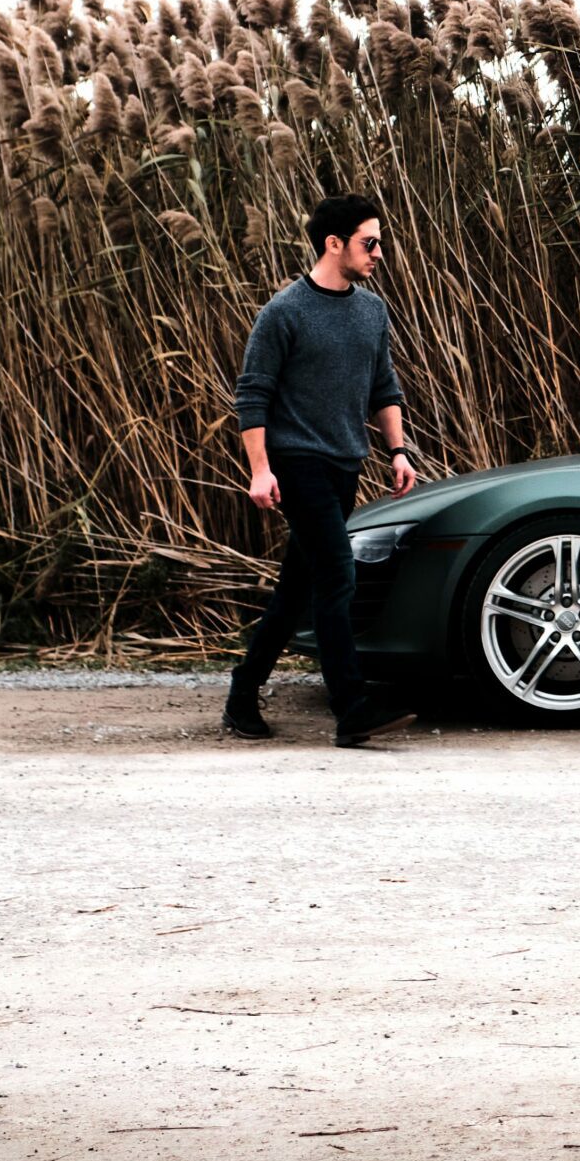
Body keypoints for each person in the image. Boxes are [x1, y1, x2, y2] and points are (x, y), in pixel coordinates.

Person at [224, 192, 420, 748]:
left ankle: (243, 693)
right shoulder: (284, 312)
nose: (379, 252)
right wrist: (261, 471)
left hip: (344, 464)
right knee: (338, 571)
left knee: (297, 589)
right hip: (297, 462)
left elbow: (384, 387)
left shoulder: (371, 311)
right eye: (370, 242)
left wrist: (397, 451)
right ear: (334, 244)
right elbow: (253, 395)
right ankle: (352, 707)